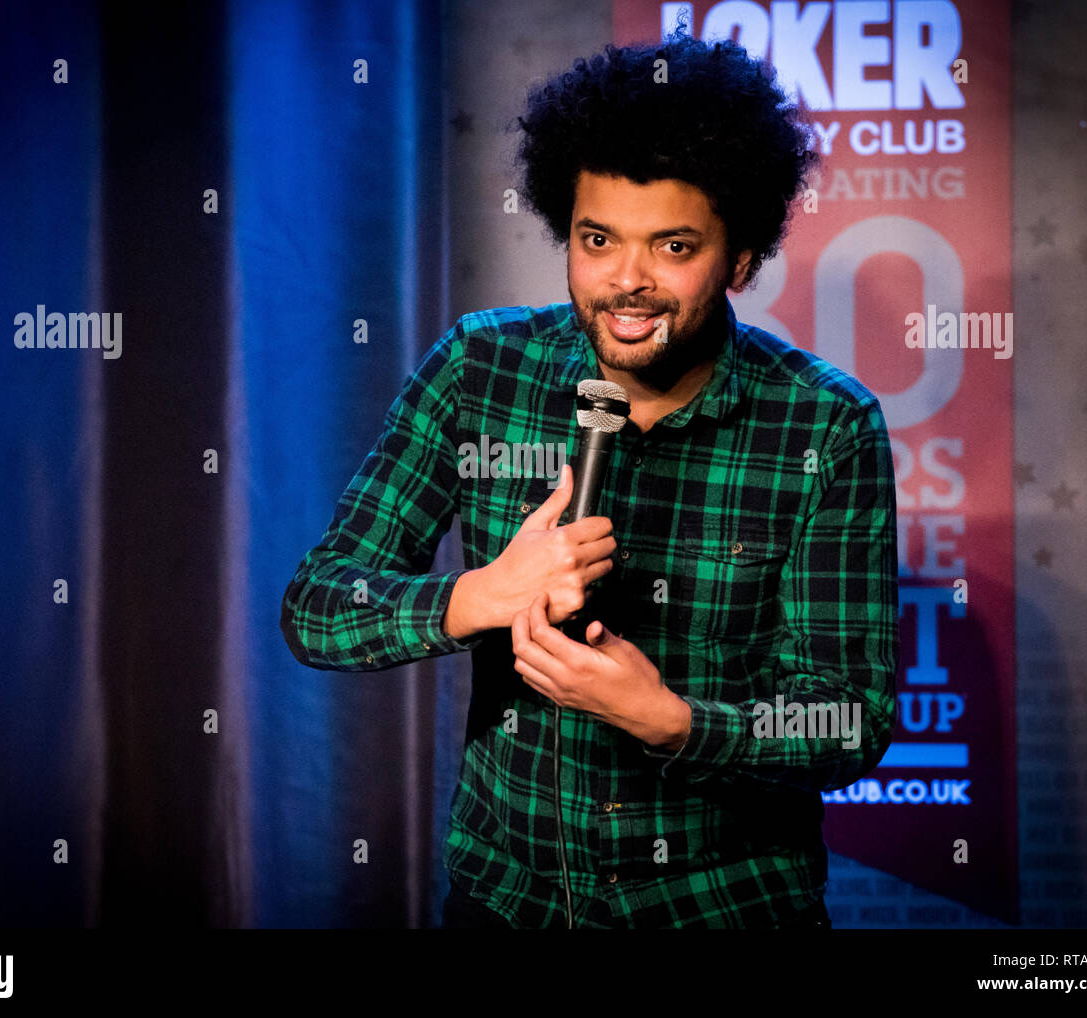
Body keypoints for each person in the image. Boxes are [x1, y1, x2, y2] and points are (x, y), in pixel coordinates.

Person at [280, 30, 898, 929]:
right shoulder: (479, 367)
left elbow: (849, 716)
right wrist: (479, 596)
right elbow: (318, 608)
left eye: (674, 247)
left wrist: (672, 721)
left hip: (721, 908)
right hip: (509, 904)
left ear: (742, 257)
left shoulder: (826, 423)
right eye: (597, 239)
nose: (627, 282)